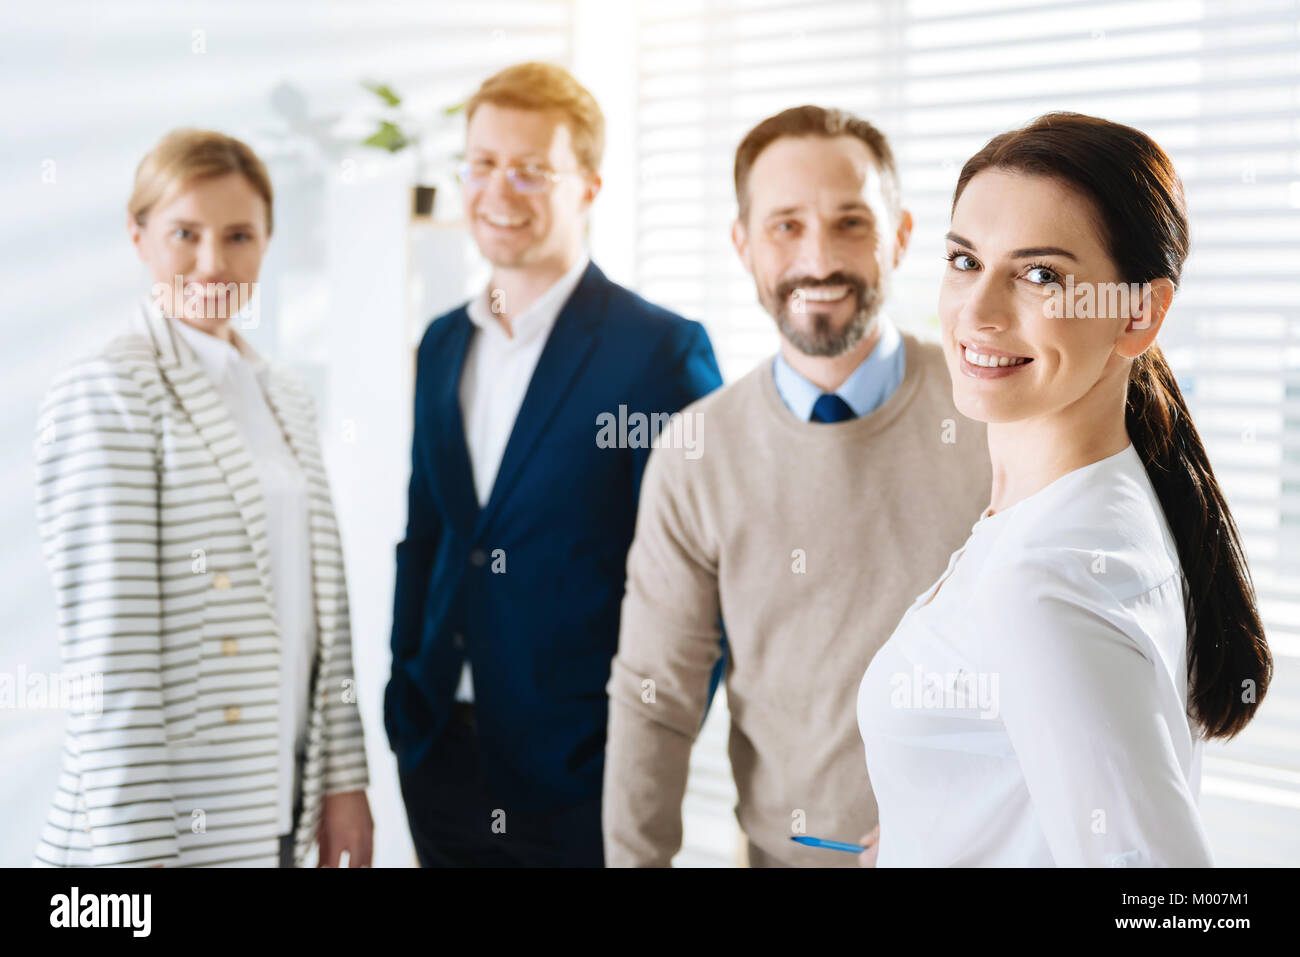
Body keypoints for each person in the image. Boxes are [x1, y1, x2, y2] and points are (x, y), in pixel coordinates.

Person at [857, 112, 1273, 867]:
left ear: (1138, 314)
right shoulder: (1094, 500)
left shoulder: (1045, 579)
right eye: (963, 261)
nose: (977, 314)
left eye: (1040, 274)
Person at [603, 105, 991, 867]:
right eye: (786, 226)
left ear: (902, 235)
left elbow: (1064, 659)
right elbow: (656, 698)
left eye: (851, 222)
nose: (819, 259)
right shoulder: (695, 453)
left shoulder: (993, 411)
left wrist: (974, 822)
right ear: (742, 243)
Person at [385, 62, 722, 867]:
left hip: (580, 783)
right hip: (439, 755)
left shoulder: (659, 353)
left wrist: (631, 761)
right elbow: (426, 533)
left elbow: (703, 586)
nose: (500, 189)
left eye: (533, 169)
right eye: (483, 164)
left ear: (590, 186)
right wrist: (404, 691)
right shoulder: (440, 343)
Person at [33, 129, 372, 868]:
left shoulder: (285, 392)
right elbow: (109, 665)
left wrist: (346, 780)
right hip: (161, 834)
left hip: (274, 813)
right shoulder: (109, 389)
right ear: (139, 236)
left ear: (267, 243)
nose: (213, 262)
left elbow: (327, 616)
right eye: (185, 233)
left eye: (239, 235)